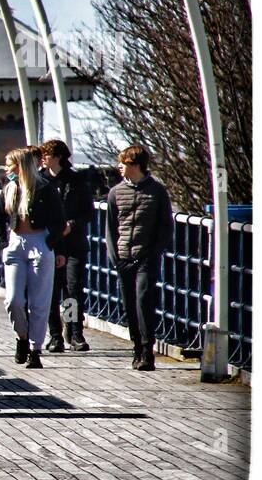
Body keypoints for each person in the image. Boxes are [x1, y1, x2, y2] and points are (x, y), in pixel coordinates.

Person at [106, 145, 173, 371]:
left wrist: (155, 251)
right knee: (129, 305)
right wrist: (114, 257)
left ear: (135, 165)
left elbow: (165, 226)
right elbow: (111, 228)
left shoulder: (157, 191)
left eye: (123, 163)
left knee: (144, 300)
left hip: (147, 256)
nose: (119, 167)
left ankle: (147, 350)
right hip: (124, 256)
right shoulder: (115, 192)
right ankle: (136, 347)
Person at [0, 146, 66, 369]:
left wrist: (50, 243)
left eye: (10, 165)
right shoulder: (9, 189)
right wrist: (4, 243)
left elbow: (59, 220)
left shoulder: (45, 188)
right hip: (16, 244)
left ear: (21, 166)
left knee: (39, 302)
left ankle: (35, 350)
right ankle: (22, 337)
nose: (7, 169)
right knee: (13, 300)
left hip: (39, 243)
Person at [40, 139, 95, 352]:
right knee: (51, 292)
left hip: (74, 244)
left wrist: (72, 224)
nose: (43, 159)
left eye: (47, 155)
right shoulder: (41, 181)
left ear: (58, 157)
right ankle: (55, 335)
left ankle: (74, 332)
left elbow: (88, 212)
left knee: (72, 290)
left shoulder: (76, 180)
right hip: (50, 244)